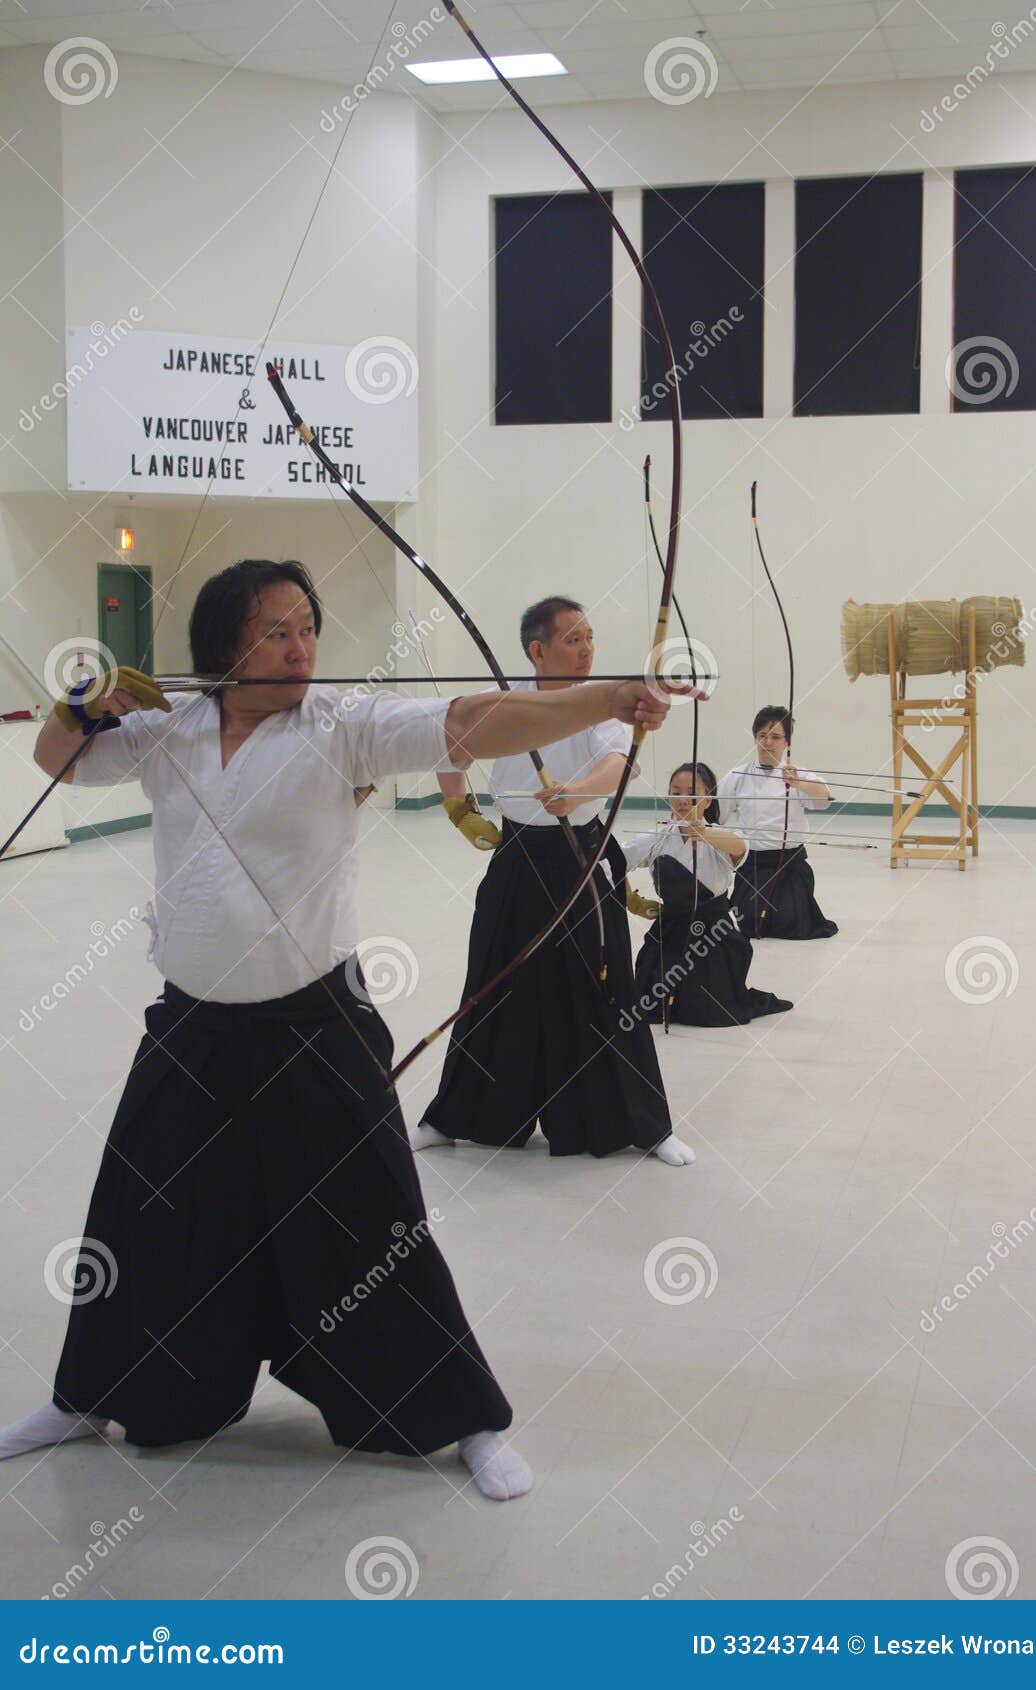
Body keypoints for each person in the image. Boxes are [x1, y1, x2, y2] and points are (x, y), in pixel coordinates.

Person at [0, 560, 679, 1499]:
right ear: (221, 646)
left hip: (312, 1027)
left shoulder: (342, 727)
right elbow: (54, 761)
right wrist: (82, 701)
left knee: (375, 1228)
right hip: (189, 1030)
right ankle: (90, 1396)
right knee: (143, 1213)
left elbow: (474, 722)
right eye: (274, 629)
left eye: (307, 626)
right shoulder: (167, 734)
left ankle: (461, 1418)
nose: (299, 646)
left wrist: (603, 698)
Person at [413, 596, 695, 1166]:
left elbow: (617, 764)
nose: (588, 649)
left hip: (582, 859)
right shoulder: (505, 700)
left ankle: (645, 1124)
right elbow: (450, 745)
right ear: (537, 651)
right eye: (573, 640)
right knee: (492, 981)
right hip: (518, 856)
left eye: (590, 637)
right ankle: (457, 1115)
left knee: (605, 986)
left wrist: (576, 793)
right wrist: (457, 805)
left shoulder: (601, 703)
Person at [623, 762, 793, 1028]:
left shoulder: (722, 837)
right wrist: (632, 900)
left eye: (691, 793)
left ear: (707, 799)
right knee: (649, 1004)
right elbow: (612, 862)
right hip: (669, 931)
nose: (682, 800)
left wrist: (706, 833)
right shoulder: (657, 837)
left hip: (712, 935)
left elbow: (739, 847)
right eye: (675, 792)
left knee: (708, 1010)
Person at [718, 707, 838, 941]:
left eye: (775, 737)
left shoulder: (797, 774)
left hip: (789, 866)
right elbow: (716, 815)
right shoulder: (737, 775)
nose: (768, 742)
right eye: (762, 735)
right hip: (752, 864)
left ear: (787, 742)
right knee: (749, 922)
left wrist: (798, 783)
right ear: (755, 738)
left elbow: (824, 797)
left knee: (789, 921)